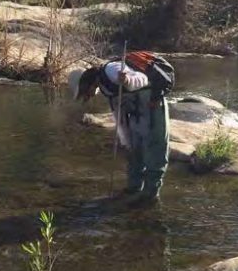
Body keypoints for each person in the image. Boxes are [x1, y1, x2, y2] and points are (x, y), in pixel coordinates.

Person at [69, 51, 174, 205]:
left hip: (152, 105)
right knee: (134, 151)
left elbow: (142, 79)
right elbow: (119, 114)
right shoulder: (106, 89)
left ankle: (150, 196)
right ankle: (134, 188)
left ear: (87, 82)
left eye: (84, 92)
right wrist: (125, 140)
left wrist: (127, 81)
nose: (87, 96)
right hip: (136, 114)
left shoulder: (111, 69)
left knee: (155, 149)